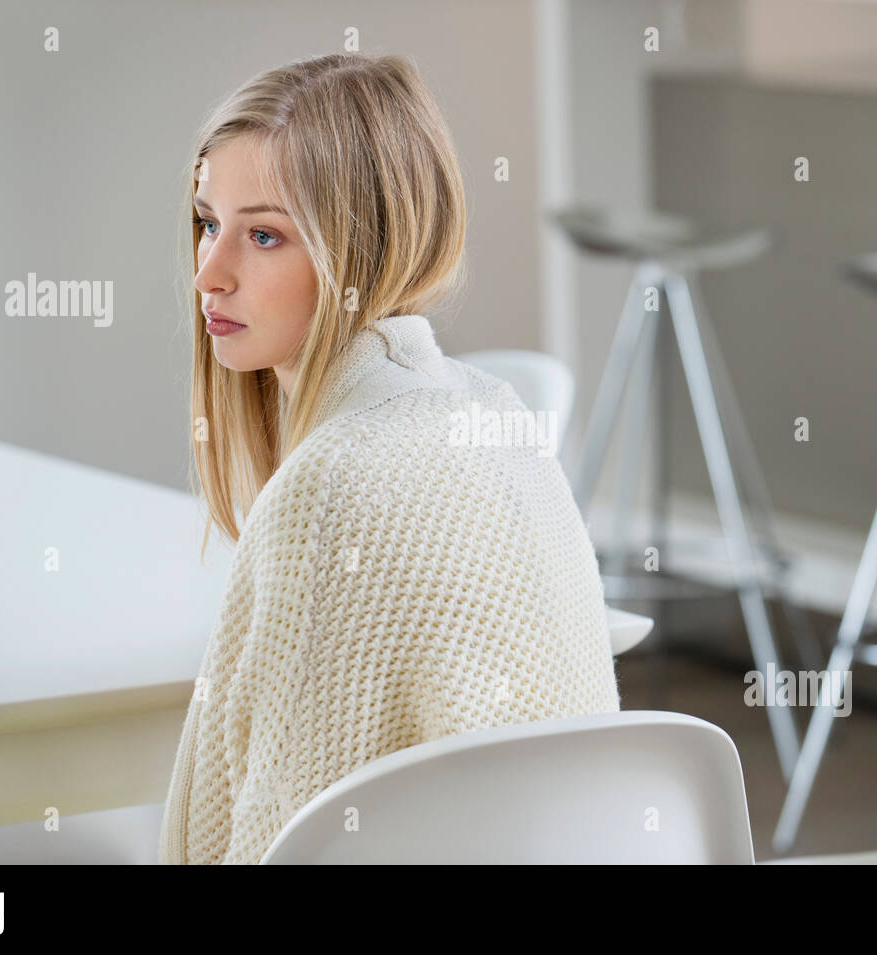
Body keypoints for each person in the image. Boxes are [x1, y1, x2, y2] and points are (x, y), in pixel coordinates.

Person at [159, 53, 620, 865]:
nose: (209, 273)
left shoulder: (330, 486)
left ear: (362, 250)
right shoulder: (496, 413)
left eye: (263, 235)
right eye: (207, 222)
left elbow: (280, 843)